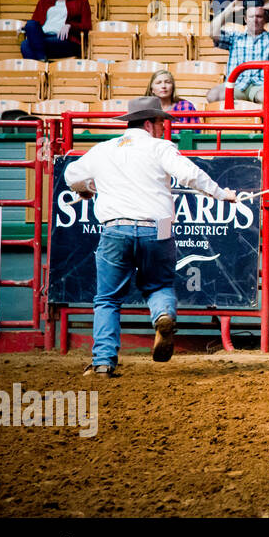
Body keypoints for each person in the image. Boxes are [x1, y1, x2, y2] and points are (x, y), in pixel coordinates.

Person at [64, 96, 240, 377]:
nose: (163, 127)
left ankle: (103, 362)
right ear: (148, 123)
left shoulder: (103, 150)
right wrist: (222, 195)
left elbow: (71, 174)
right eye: (160, 122)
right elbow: (190, 175)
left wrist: (85, 188)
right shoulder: (160, 148)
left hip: (115, 227)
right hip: (156, 227)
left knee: (107, 299)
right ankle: (163, 315)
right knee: (159, 284)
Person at [206, 0, 269, 105]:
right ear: (246, 19)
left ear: (265, 19)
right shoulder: (235, 37)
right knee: (212, 96)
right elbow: (212, 32)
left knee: (268, 98)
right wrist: (229, 9)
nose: (255, 20)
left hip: (263, 84)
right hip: (237, 84)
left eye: (259, 16)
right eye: (251, 16)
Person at [21, 0, 89, 59]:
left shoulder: (81, 1)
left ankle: (40, 63)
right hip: (43, 37)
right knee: (30, 25)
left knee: (26, 45)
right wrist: (24, 28)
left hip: (64, 40)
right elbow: (35, 24)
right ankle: (42, 58)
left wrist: (70, 26)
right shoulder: (44, 3)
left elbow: (87, 25)